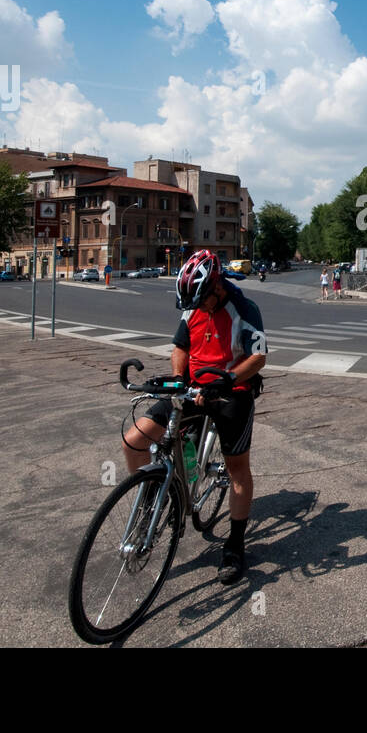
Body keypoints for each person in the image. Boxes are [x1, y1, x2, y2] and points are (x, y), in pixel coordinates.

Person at [120, 250, 267, 585]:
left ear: (216, 287)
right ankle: (151, 502)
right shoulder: (192, 307)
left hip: (232, 392)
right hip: (192, 390)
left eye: (202, 302)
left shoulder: (245, 309)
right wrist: (179, 379)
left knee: (237, 470)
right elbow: (180, 348)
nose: (197, 309)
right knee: (134, 441)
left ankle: (234, 545)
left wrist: (228, 379)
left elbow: (258, 358)